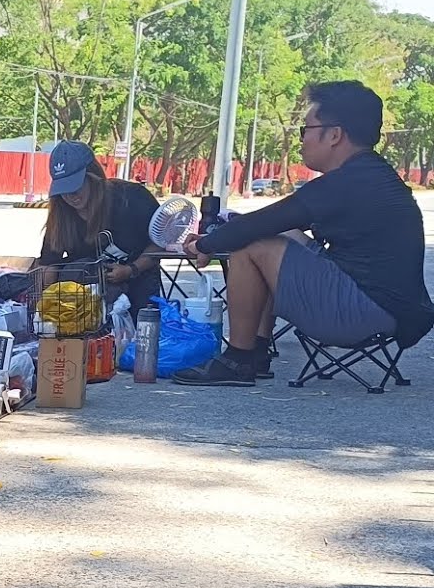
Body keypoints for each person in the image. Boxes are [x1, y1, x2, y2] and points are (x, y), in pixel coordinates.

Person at [173, 81, 434, 387]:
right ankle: (256, 350)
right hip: (394, 310)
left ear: (334, 135)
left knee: (250, 245)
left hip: (366, 310)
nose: (301, 140)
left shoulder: (346, 183)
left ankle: (238, 360)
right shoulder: (371, 175)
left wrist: (203, 244)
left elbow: (259, 226)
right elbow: (277, 222)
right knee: (279, 233)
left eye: (306, 129)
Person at [39, 140, 162, 314]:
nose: (70, 196)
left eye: (76, 187)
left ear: (94, 177)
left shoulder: (133, 199)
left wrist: (131, 269)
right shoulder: (61, 214)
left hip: (139, 285)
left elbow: (160, 243)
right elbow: (49, 264)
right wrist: (45, 306)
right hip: (85, 300)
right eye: (63, 189)